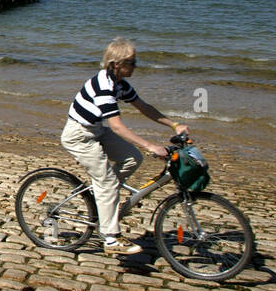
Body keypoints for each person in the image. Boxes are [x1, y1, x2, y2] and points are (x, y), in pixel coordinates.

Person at [61, 37, 189, 254]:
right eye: (131, 61)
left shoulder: (120, 84)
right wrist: (151, 146)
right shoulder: (104, 86)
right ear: (116, 64)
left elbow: (143, 107)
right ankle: (111, 239)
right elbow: (118, 127)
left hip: (96, 130)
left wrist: (175, 125)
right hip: (78, 135)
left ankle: (105, 201)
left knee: (133, 158)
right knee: (108, 183)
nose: (135, 65)